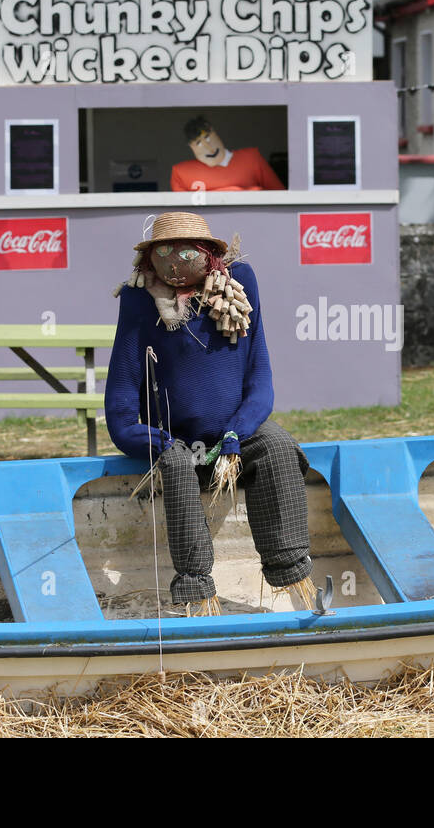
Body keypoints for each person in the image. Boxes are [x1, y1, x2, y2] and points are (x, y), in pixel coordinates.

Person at [105, 211, 314, 615]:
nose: (174, 262)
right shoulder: (139, 299)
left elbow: (259, 376)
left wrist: (237, 433)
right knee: (179, 467)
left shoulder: (238, 287)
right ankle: (198, 595)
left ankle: (294, 577)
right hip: (178, 442)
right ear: (149, 259)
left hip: (235, 438)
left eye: (186, 252)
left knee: (278, 446)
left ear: (209, 255)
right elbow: (121, 397)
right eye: (163, 253)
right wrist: (157, 441)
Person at [169, 115, 285, 192]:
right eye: (198, 143)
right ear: (191, 147)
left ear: (214, 132)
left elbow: (280, 196)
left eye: (208, 137)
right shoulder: (181, 173)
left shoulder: (251, 158)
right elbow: (182, 217)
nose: (208, 148)